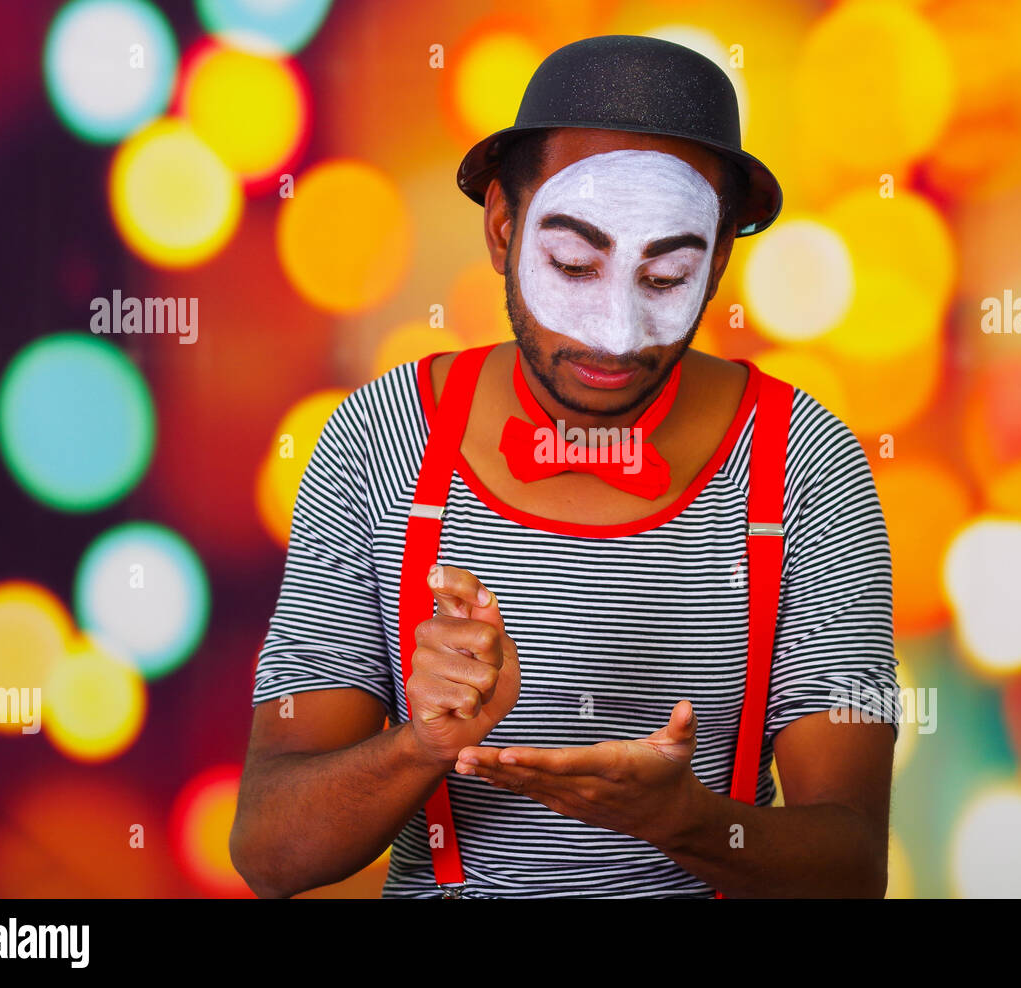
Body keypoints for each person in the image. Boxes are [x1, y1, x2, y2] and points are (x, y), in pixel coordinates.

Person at [230, 34, 900, 899]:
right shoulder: (380, 440)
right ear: (503, 228)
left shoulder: (807, 467)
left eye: (666, 275)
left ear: (720, 263)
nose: (614, 334)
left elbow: (851, 870)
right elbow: (269, 851)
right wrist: (421, 744)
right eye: (574, 263)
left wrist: (686, 821)